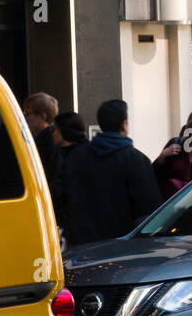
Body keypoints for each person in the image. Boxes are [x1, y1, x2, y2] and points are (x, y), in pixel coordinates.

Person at [60, 99, 162, 247]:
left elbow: (60, 196)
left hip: (81, 245)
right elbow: (149, 211)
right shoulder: (137, 160)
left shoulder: (76, 156)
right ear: (124, 124)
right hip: (121, 248)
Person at [47, 112, 88, 239]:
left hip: (73, 225)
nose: (52, 133)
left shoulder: (73, 157)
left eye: (55, 129)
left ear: (63, 132)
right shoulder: (86, 152)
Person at [23, 93, 59, 184]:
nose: (23, 117)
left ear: (42, 117)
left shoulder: (48, 143)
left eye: (27, 113)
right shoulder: (44, 139)